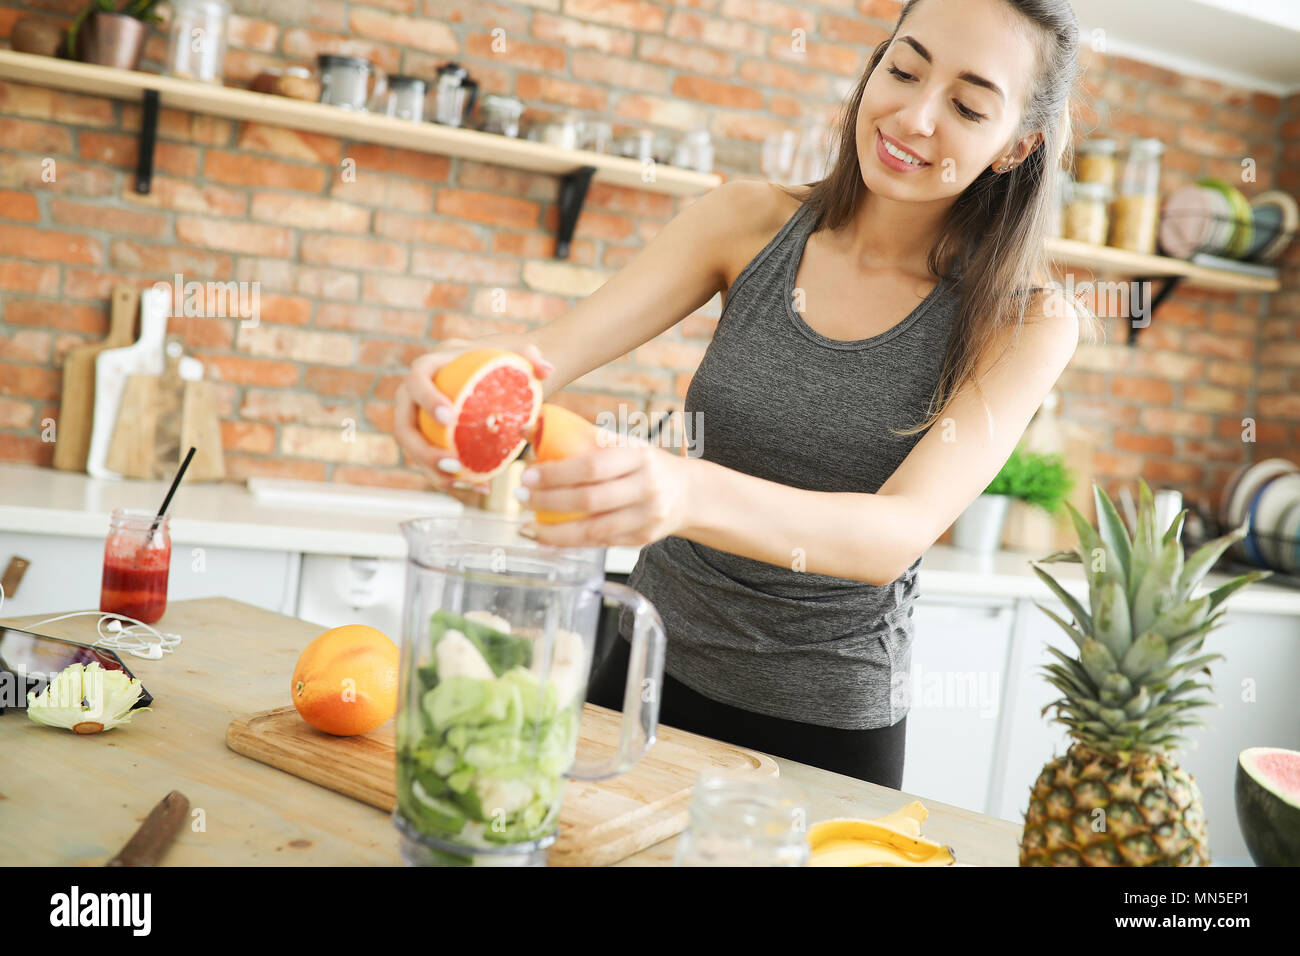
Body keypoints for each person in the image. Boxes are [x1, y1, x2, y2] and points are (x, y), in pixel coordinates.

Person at [392, 0, 1100, 788]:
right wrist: (452, 384)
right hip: (642, 669)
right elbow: (539, 360)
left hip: (823, 724)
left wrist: (681, 491)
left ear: (1017, 146)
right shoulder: (747, 221)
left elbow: (893, 534)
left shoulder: (1027, 321)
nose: (914, 116)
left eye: (967, 107)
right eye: (904, 70)